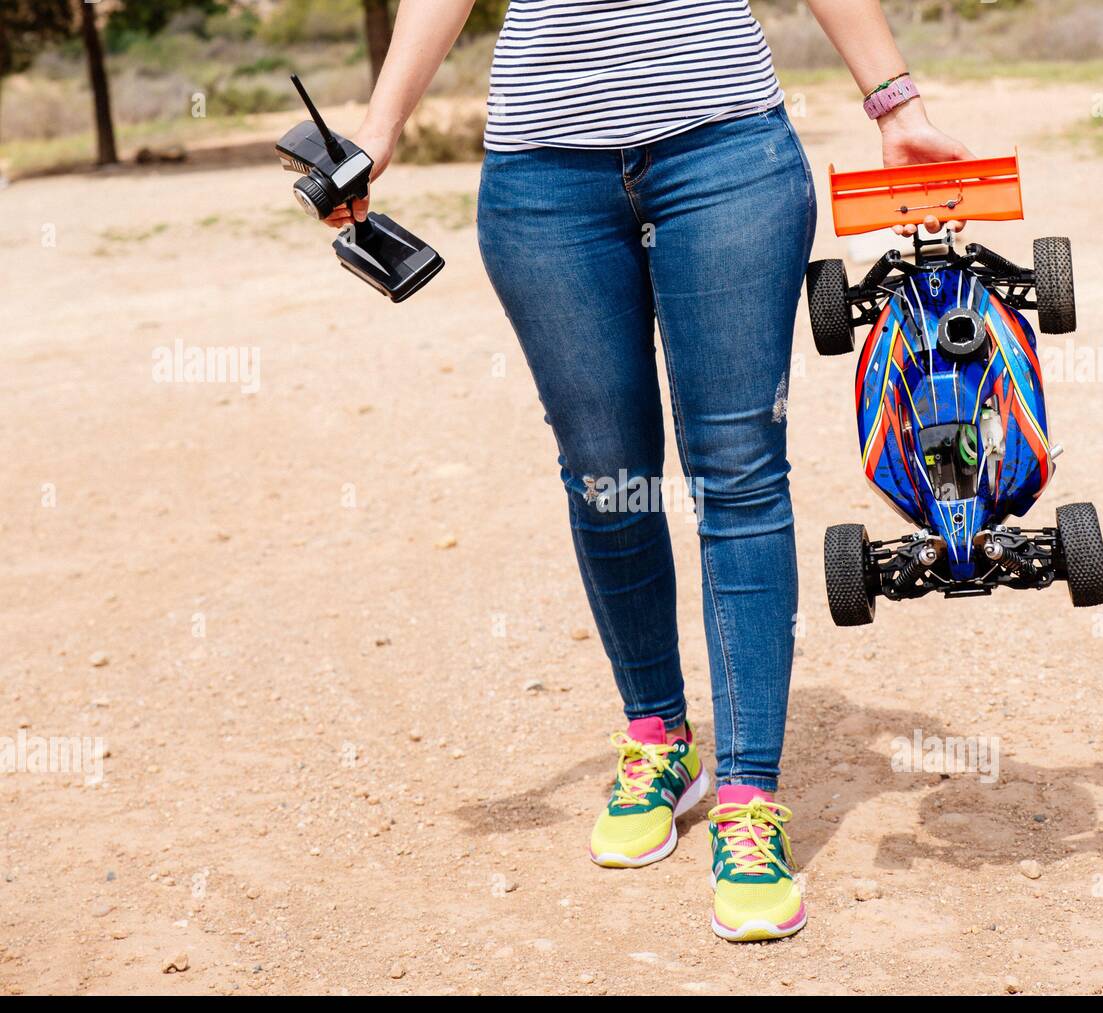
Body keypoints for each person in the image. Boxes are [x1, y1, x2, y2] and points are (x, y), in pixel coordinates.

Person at [323, 0, 971, 942]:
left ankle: (750, 800)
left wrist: (894, 103)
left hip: (724, 156)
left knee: (740, 474)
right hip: (543, 182)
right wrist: (380, 128)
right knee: (602, 473)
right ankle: (658, 739)